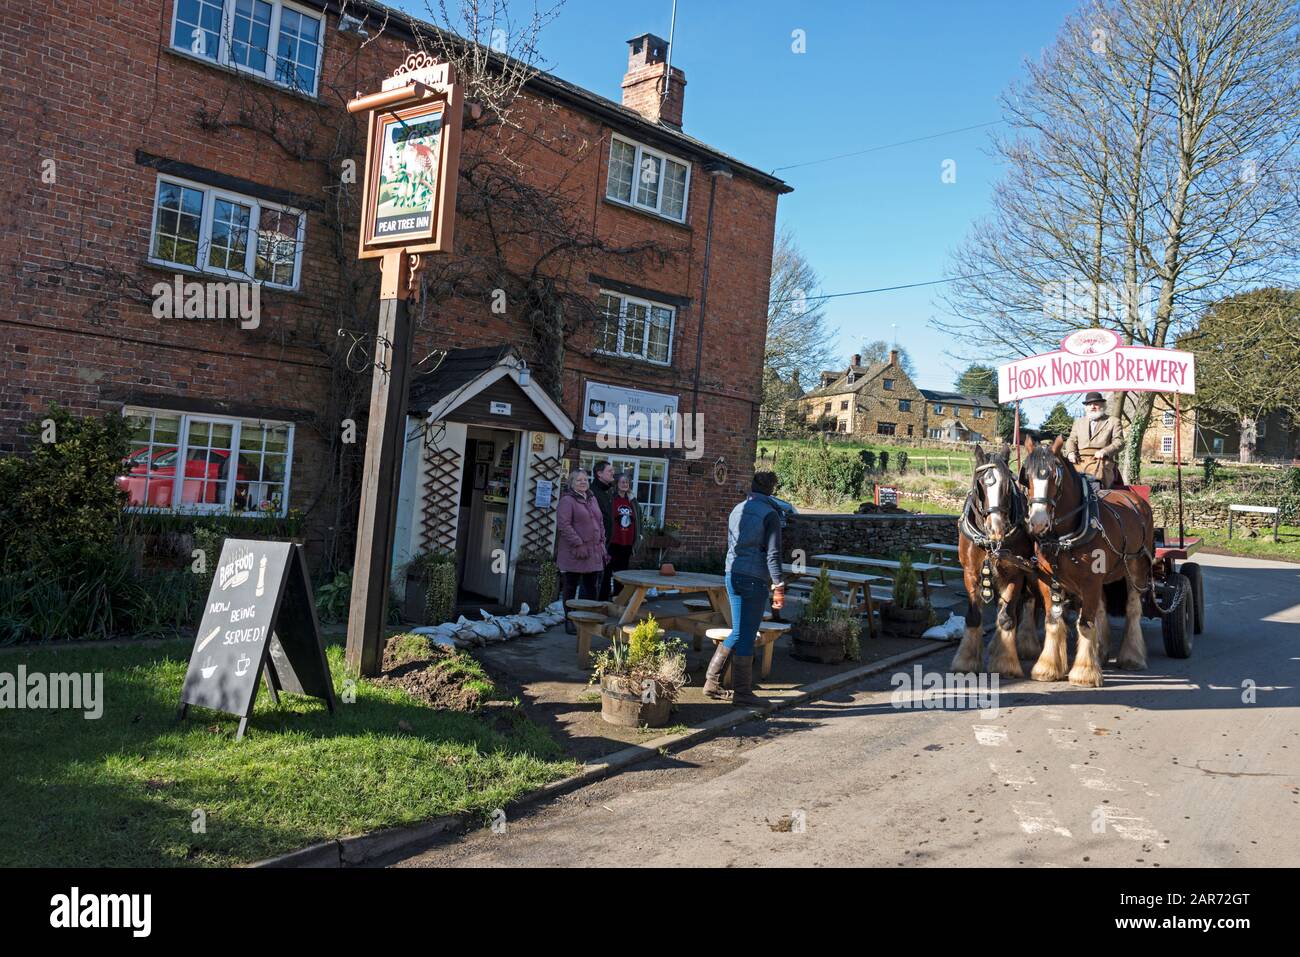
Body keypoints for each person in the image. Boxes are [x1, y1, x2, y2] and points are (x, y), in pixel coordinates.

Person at [704, 471, 786, 706]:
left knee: (739, 631)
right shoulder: (770, 514)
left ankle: (712, 683)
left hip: (732, 573)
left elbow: (731, 543)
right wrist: (778, 585)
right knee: (746, 635)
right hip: (754, 578)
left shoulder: (737, 509)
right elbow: (773, 554)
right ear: (771, 490)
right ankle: (742, 693)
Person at [556, 468, 607, 634]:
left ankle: (587, 621)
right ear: (571, 483)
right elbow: (564, 525)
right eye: (579, 480)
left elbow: (599, 521)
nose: (583, 482)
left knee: (591, 587)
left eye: (585, 479)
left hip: (593, 552)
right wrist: (578, 543)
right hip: (574, 552)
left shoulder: (592, 498)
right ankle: (570, 622)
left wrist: (602, 542)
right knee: (570, 588)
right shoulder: (567, 500)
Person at [1064, 391, 1125, 488]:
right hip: (1079, 461)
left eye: (1096, 404)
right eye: (1089, 404)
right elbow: (1071, 440)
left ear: (1102, 405)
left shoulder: (1113, 421)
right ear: (1086, 407)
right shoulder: (1078, 422)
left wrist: (1105, 451)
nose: (1092, 407)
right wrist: (1071, 452)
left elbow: (1119, 442)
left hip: (1101, 462)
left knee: (1095, 484)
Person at [606, 471, 642, 588]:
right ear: (617, 484)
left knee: (622, 573)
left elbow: (638, 519)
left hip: (627, 542)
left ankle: (618, 599)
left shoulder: (632, 501)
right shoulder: (612, 498)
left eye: (627, 482)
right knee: (607, 571)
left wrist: (640, 536)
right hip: (613, 542)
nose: (625, 484)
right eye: (622, 482)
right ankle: (602, 600)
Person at [590, 460, 618, 600]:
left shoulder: (607, 492)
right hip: (596, 543)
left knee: (606, 577)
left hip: (607, 542)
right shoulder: (592, 492)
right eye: (609, 471)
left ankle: (601, 606)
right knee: (592, 581)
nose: (613, 473)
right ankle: (588, 612)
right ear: (599, 473)